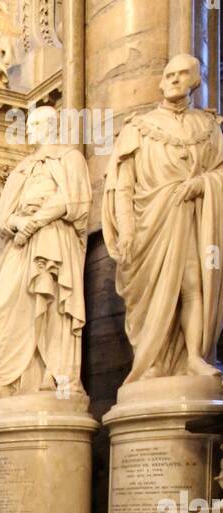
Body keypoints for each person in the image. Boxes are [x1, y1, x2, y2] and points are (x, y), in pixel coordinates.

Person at [102, 53, 223, 381]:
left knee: (193, 284)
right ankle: (151, 359)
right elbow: (122, 186)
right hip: (149, 223)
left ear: (195, 81)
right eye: (169, 74)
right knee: (153, 291)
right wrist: (126, 230)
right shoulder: (139, 127)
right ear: (159, 81)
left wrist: (203, 183)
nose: (173, 79)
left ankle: (194, 356)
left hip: (191, 219)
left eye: (182, 74)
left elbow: (220, 172)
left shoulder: (208, 127)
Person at [0, 106, 91, 397]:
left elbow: (73, 199)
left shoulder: (69, 158)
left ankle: (55, 375)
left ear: (51, 126)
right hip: (20, 243)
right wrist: (19, 222)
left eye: (35, 124)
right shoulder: (22, 168)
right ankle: (10, 379)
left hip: (52, 237)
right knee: (4, 306)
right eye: (29, 124)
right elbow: (3, 214)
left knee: (51, 301)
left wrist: (34, 223)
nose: (30, 130)